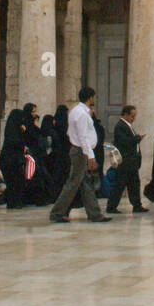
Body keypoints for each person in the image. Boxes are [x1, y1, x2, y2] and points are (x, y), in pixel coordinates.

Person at [50, 87, 109, 223]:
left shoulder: (76, 111)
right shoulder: (81, 114)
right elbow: (83, 137)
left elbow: (70, 133)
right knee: (73, 183)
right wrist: (90, 156)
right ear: (90, 98)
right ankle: (56, 213)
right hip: (81, 152)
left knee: (85, 184)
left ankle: (95, 214)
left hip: (80, 150)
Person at [107, 104, 149, 213]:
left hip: (131, 161)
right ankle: (111, 206)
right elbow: (125, 142)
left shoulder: (127, 126)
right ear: (125, 115)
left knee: (134, 184)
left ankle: (137, 205)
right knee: (120, 185)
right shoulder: (120, 126)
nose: (133, 118)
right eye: (132, 116)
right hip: (125, 161)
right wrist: (137, 138)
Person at [0, 109, 29, 209]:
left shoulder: (17, 129)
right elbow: (14, 142)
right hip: (9, 160)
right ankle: (13, 202)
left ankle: (16, 202)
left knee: (17, 182)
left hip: (13, 160)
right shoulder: (12, 130)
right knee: (13, 182)